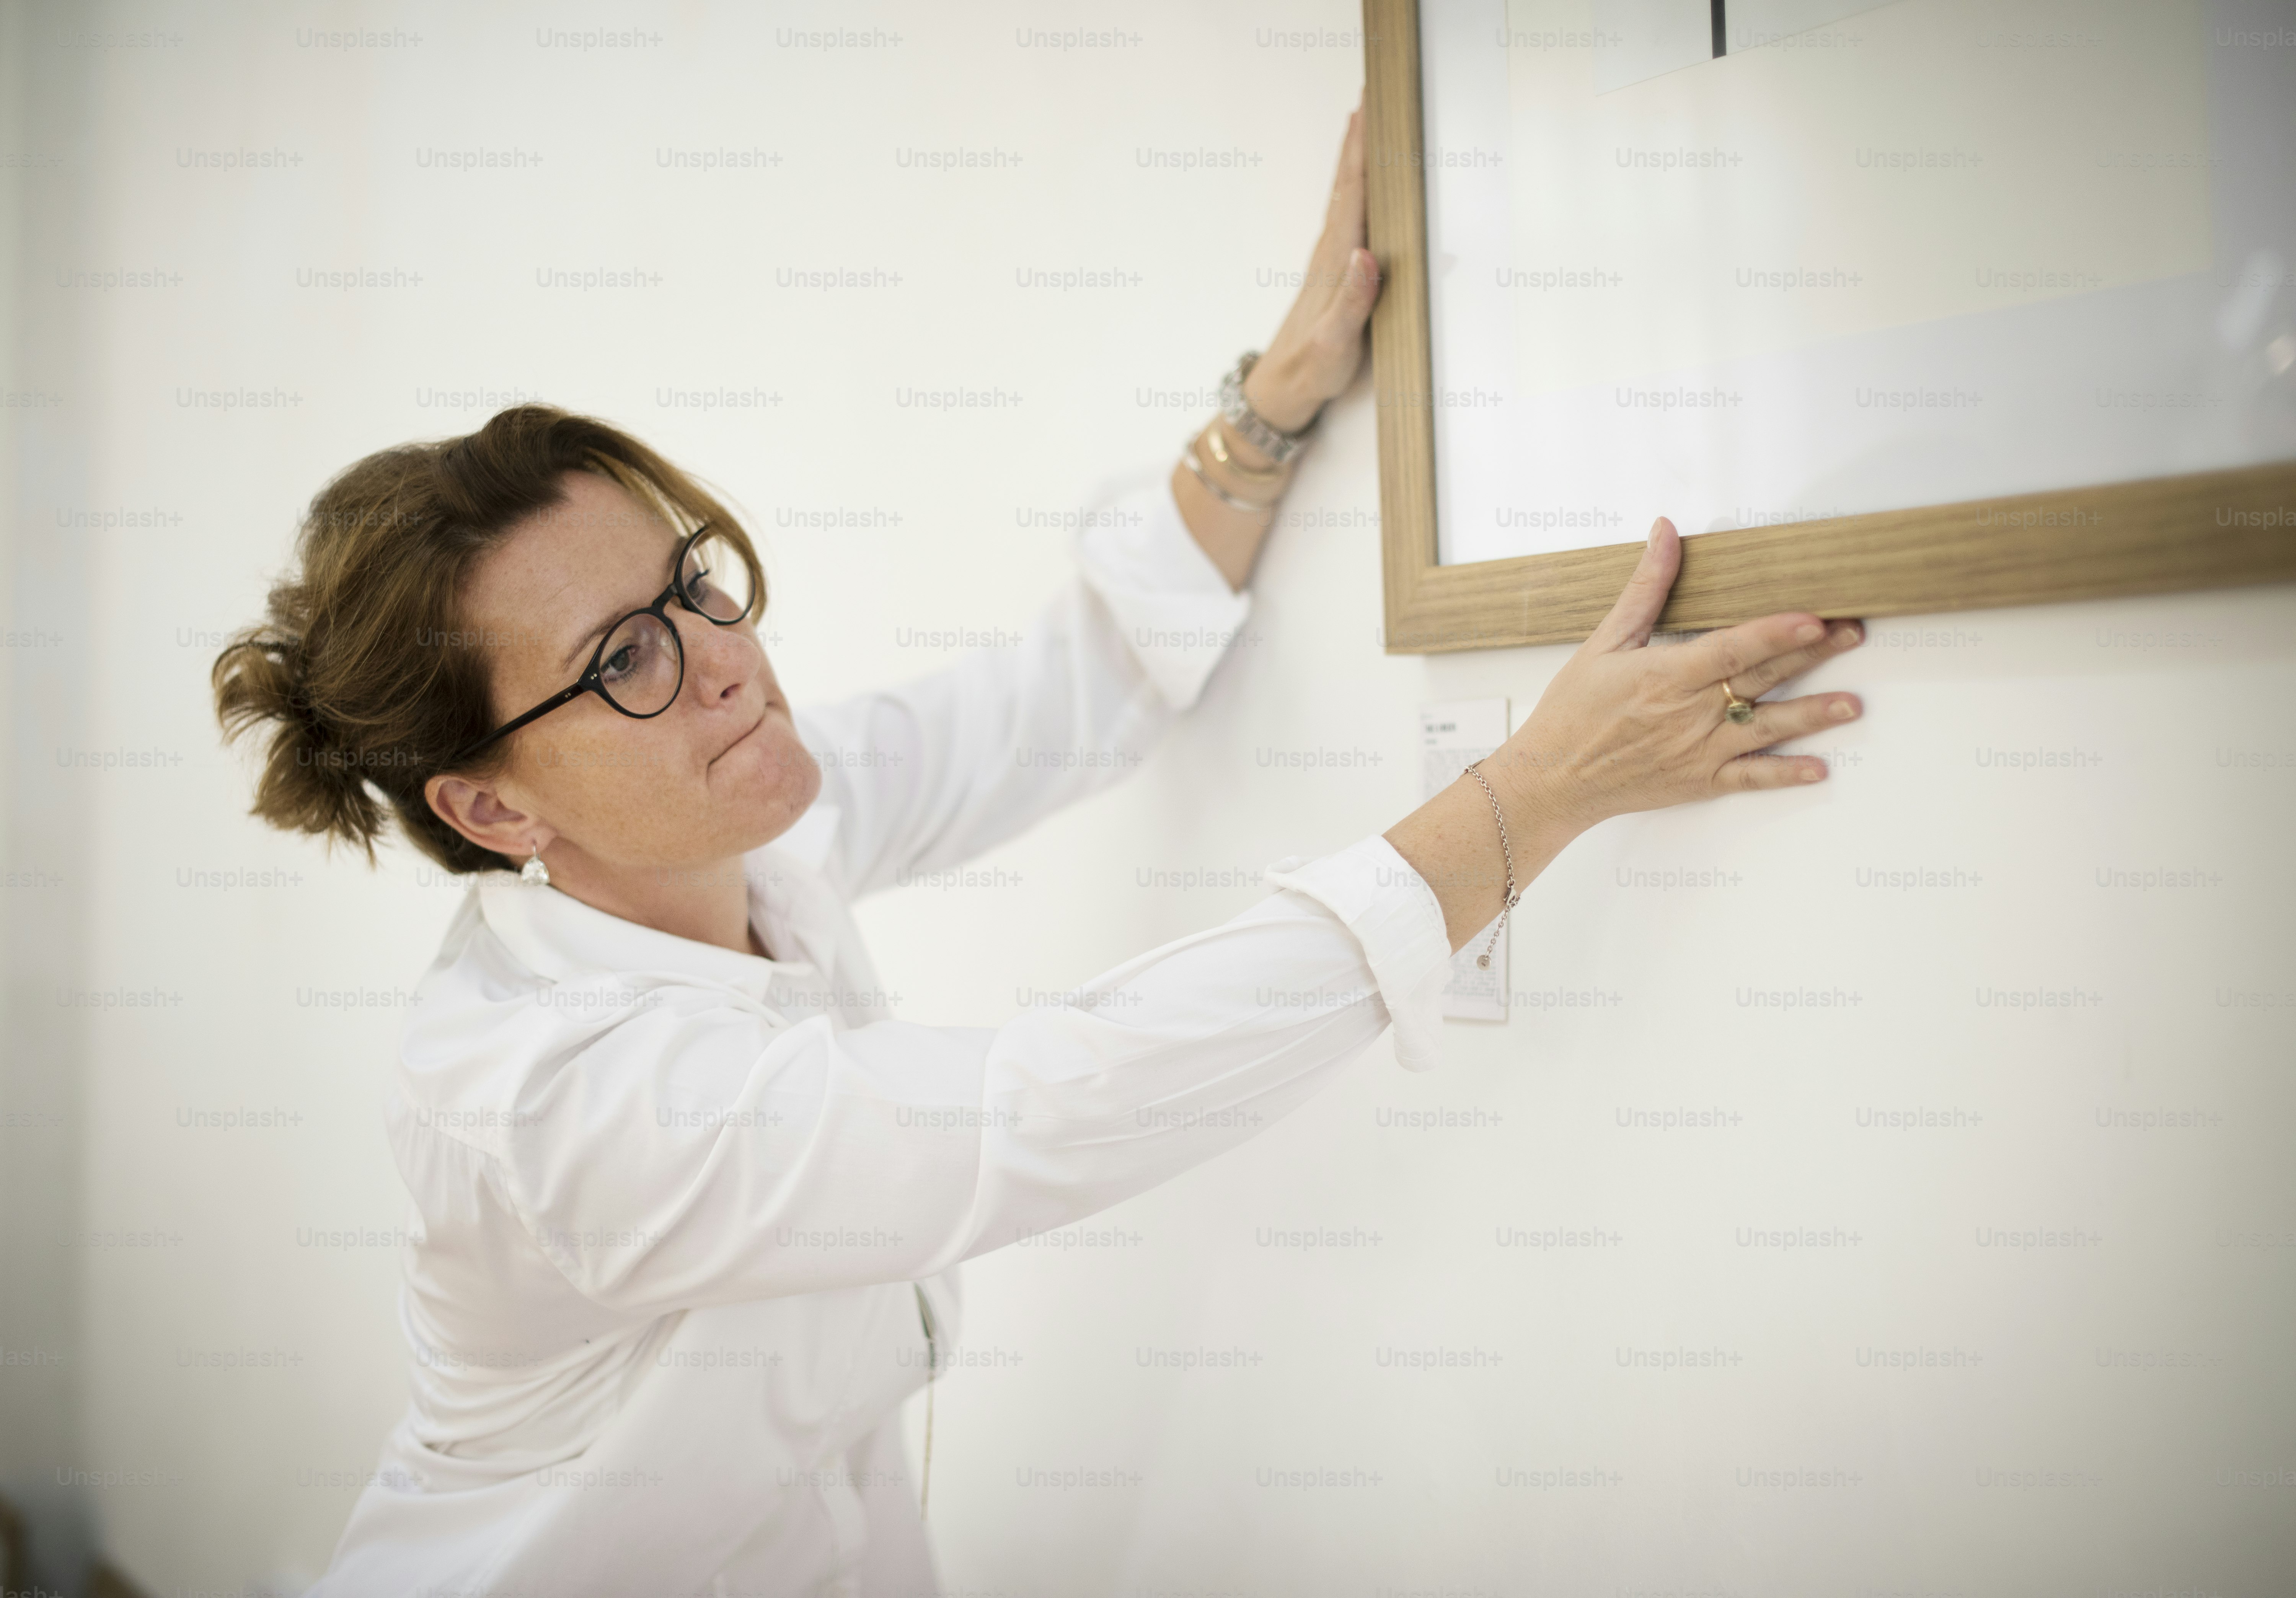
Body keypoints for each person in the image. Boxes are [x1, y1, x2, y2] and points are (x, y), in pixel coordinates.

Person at [212, 109, 1864, 1597]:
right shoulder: (564, 1102)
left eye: (691, 582)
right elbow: (1046, 1104)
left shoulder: (740, 834)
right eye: (623, 659)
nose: (720, 655)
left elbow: (1052, 700)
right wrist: (1535, 795)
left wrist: (1273, 405)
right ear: (496, 810)